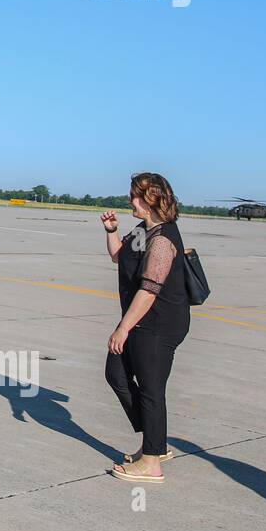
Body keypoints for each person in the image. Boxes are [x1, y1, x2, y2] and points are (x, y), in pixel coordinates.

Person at [101, 172, 191, 482]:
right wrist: (111, 231)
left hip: (158, 324)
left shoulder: (163, 239)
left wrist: (122, 329)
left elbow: (150, 290)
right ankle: (155, 442)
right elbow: (118, 256)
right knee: (116, 374)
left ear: (150, 199)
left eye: (134, 197)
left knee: (152, 390)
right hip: (140, 319)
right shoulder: (144, 230)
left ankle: (152, 462)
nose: (130, 201)